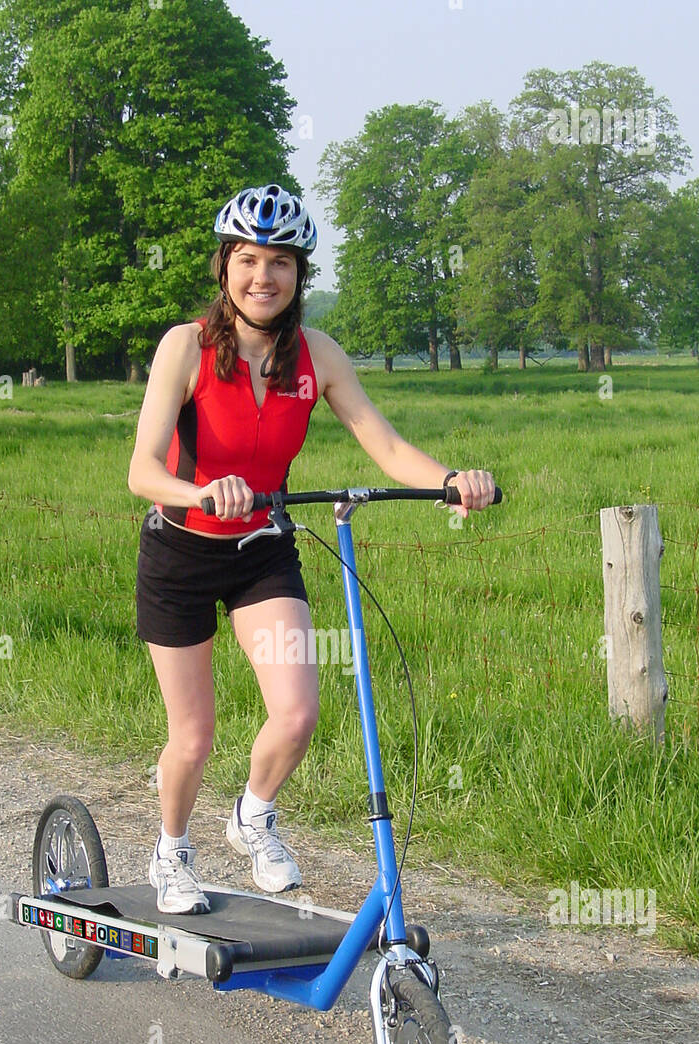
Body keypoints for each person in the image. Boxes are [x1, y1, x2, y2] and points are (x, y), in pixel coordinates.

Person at [128, 183, 496, 914]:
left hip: (263, 548)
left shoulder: (316, 355)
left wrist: (451, 478)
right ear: (223, 268)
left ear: (300, 275)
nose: (262, 277)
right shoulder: (187, 347)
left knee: (297, 713)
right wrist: (201, 492)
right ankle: (171, 852)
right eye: (247, 260)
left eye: (280, 263)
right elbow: (142, 470)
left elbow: (384, 445)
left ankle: (252, 816)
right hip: (181, 553)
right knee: (193, 737)